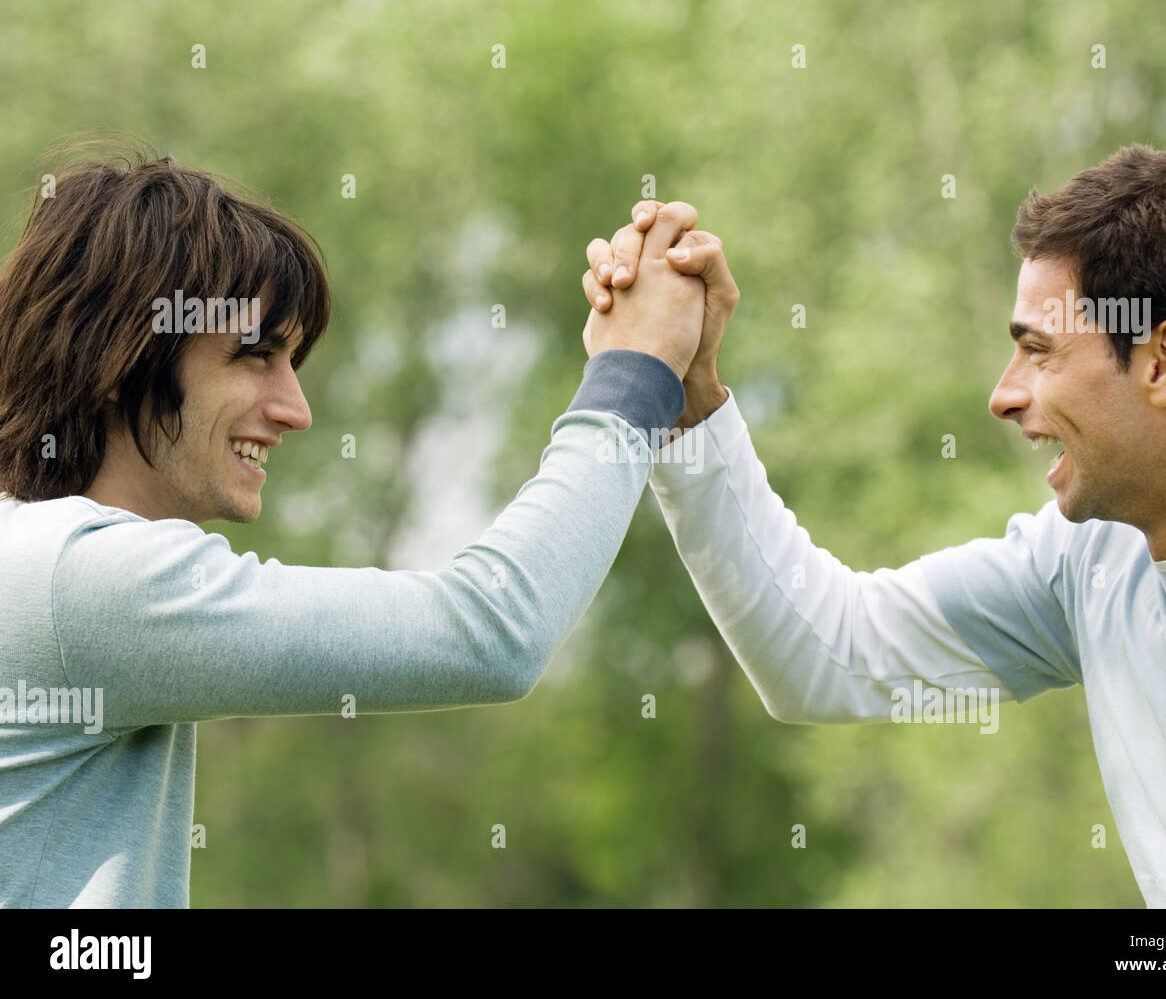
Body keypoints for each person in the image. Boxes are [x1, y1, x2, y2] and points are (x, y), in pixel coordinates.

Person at [582, 145, 1166, 908]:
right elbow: (830, 652)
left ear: (1164, 362)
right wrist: (688, 396)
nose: (1004, 394)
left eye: (1038, 351)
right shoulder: (1088, 560)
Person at [0, 145, 709, 908]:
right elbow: (495, 631)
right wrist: (634, 374)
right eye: (255, 355)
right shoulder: (77, 579)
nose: (295, 409)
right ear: (118, 359)